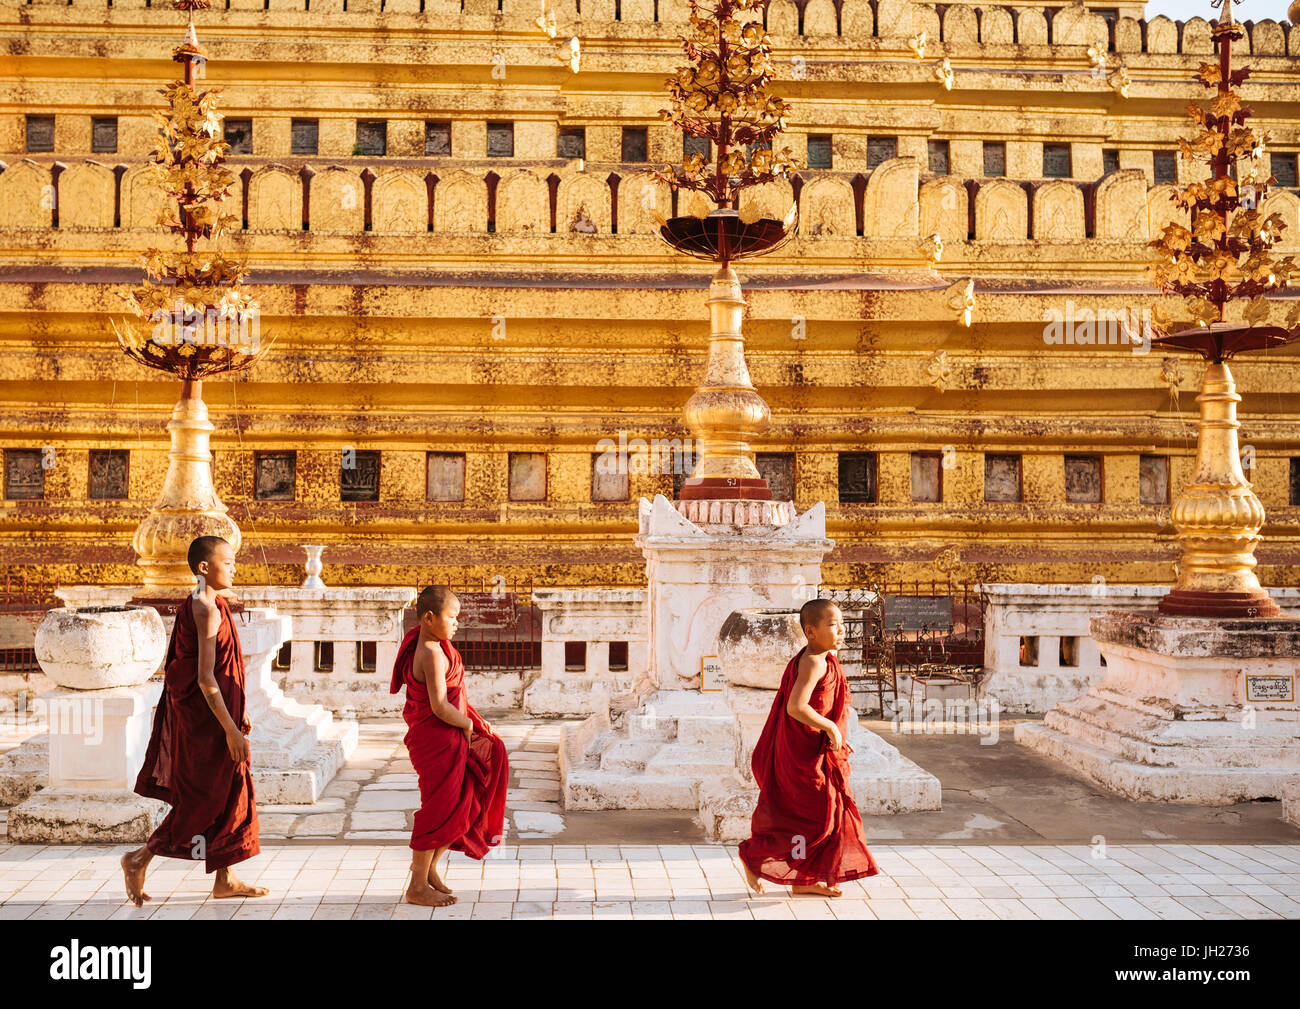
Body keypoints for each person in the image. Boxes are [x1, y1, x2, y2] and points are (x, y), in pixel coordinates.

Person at [122, 535, 268, 906]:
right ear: (205, 567)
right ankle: (139, 858)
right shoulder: (206, 608)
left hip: (218, 716)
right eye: (229, 562)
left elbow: (221, 670)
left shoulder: (210, 600)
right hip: (207, 725)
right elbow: (205, 678)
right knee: (203, 799)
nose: (236, 568)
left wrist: (239, 710)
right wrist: (231, 730)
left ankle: (225, 877)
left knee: (232, 792)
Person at [739, 597, 880, 897]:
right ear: (811, 631)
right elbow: (796, 707)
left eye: (842, 624)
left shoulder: (825, 658)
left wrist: (837, 735)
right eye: (833, 625)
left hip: (815, 750)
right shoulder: (814, 662)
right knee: (816, 816)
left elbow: (824, 707)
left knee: (822, 814)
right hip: (801, 755)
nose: (841, 630)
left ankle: (803, 880)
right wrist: (829, 727)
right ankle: (754, 856)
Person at [391, 584, 509, 907]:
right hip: (437, 741)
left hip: (447, 738)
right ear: (429, 618)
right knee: (438, 809)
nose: (457, 623)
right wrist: (469, 724)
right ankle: (416, 885)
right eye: (451, 616)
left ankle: (429, 872)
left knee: (463, 804)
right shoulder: (429, 652)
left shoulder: (431, 642)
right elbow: (441, 706)